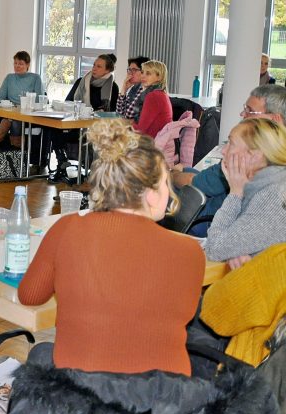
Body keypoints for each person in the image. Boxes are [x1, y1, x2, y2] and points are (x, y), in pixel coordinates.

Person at [19, 119, 206, 375]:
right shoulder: (189, 252)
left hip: (81, 388)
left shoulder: (67, 229)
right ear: (151, 194)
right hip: (164, 392)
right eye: (166, 183)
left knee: (40, 353)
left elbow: (30, 295)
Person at [172, 84, 286, 232]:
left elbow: (196, 183)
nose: (242, 114)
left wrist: (171, 174)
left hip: (210, 224)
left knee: (162, 187)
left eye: (250, 111)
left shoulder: (249, 154)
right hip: (227, 217)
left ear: (275, 119)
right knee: (185, 172)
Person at [203, 119, 286, 265]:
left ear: (255, 155)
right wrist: (235, 251)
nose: (223, 151)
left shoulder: (273, 197)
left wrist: (235, 194)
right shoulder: (269, 184)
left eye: (231, 143)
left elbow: (214, 249)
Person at [0, 50, 44, 151]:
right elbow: (0, 97)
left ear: (27, 65)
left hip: (28, 115)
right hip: (11, 113)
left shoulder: (35, 78)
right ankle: (13, 152)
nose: (17, 66)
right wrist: (9, 106)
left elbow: (39, 99)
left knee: (9, 121)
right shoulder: (9, 78)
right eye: (15, 63)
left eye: (20, 64)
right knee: (9, 120)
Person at [133, 60, 174, 138]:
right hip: (153, 139)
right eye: (142, 72)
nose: (143, 76)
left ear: (159, 77)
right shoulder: (160, 93)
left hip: (150, 142)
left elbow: (140, 130)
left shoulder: (154, 96)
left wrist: (122, 125)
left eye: (148, 73)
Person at [115, 55, 150, 121]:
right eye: (129, 70)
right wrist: (124, 89)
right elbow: (119, 113)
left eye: (134, 70)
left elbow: (128, 116)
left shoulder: (145, 89)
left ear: (144, 72)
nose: (130, 73)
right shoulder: (134, 88)